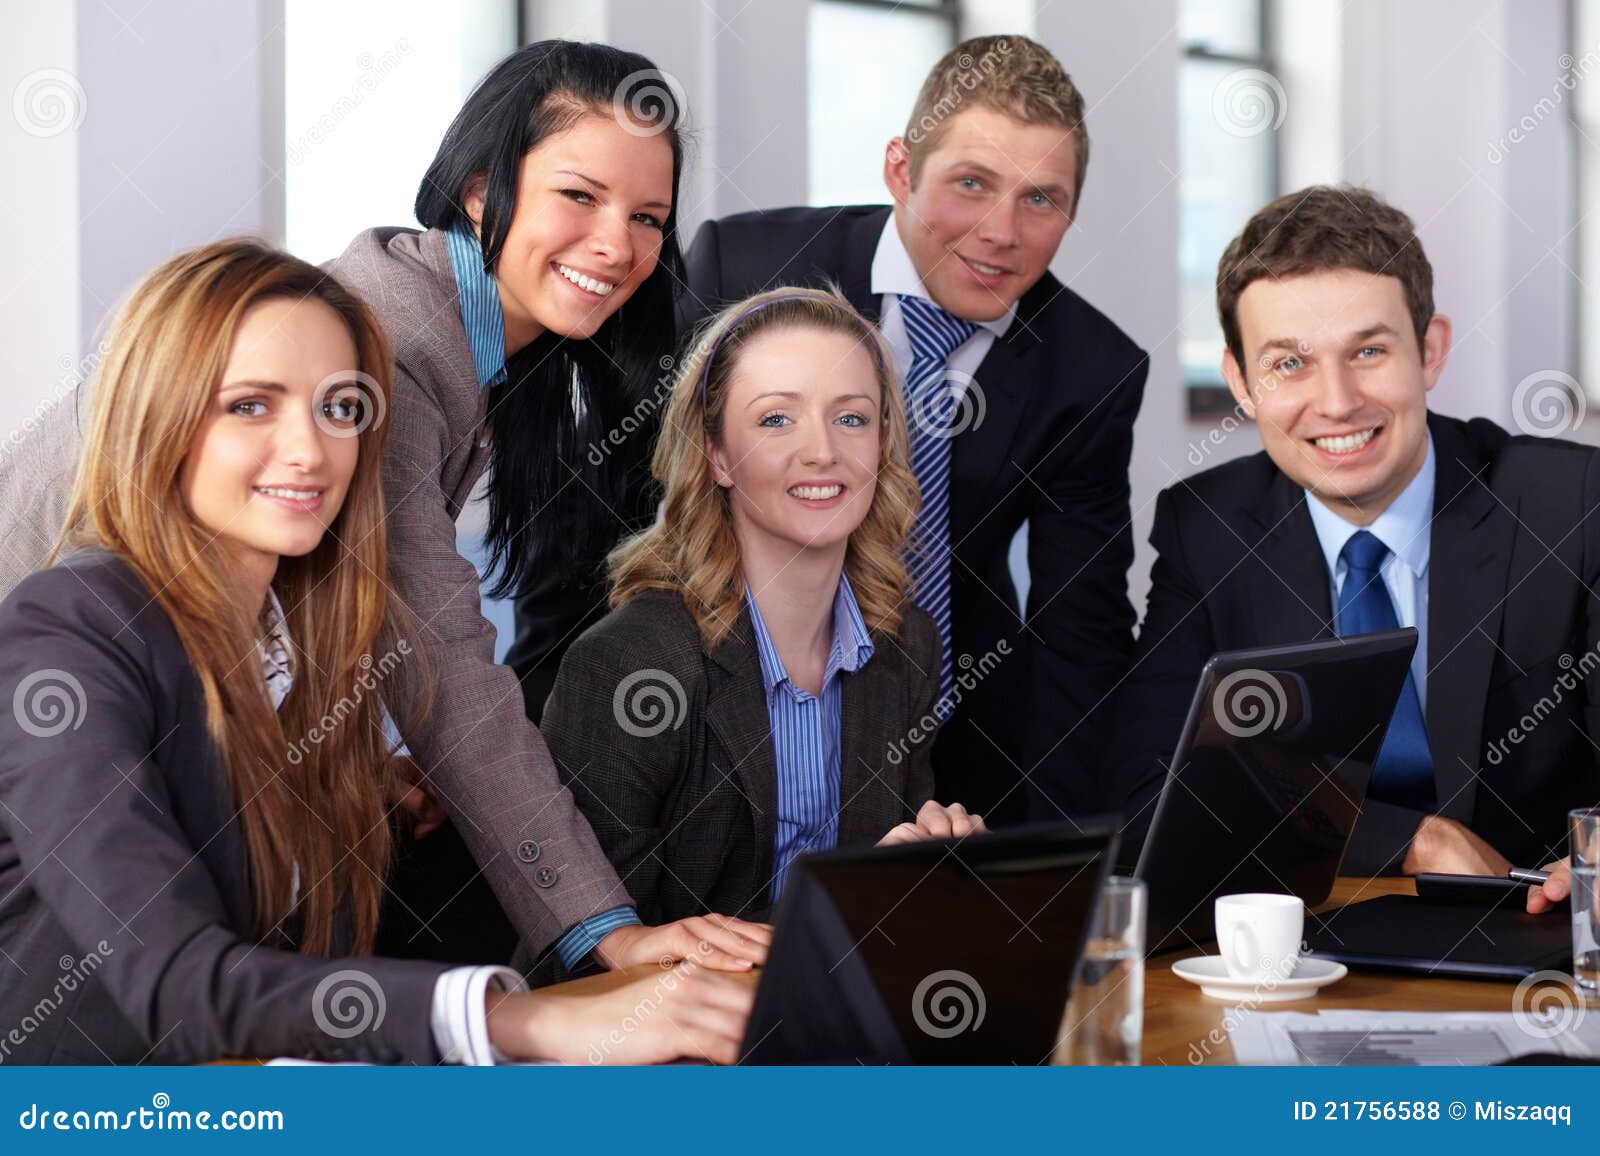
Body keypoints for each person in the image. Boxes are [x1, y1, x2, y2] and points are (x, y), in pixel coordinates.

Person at [0, 40, 769, 978]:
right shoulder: (396, 343)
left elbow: (319, 604)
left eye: (648, 216)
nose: (618, 243)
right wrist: (604, 931)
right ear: (482, 193)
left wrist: (355, 765)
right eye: (580, 196)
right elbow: (437, 652)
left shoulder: (465, 334)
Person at [677, 35, 1149, 826]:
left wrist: (1066, 852)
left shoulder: (1091, 366)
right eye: (971, 183)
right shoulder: (748, 266)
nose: (1002, 232)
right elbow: (641, 508)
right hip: (718, 703)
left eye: (1041, 199)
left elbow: (1083, 626)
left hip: (957, 732)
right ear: (901, 170)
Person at [1101, 185, 1600, 878]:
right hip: (1312, 950)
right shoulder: (1207, 529)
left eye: (1368, 352)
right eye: (1288, 363)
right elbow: (1151, 798)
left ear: (1429, 352)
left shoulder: (1569, 506)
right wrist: (1408, 840)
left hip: (1537, 944)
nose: (1336, 403)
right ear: (1242, 383)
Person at [541, 287, 985, 926]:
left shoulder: (906, 643)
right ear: (717, 455)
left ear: (884, 443)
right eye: (777, 419)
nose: (823, 451)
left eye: (852, 418)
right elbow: (590, 953)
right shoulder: (625, 664)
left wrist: (928, 871)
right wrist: (842, 907)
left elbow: (884, 921)